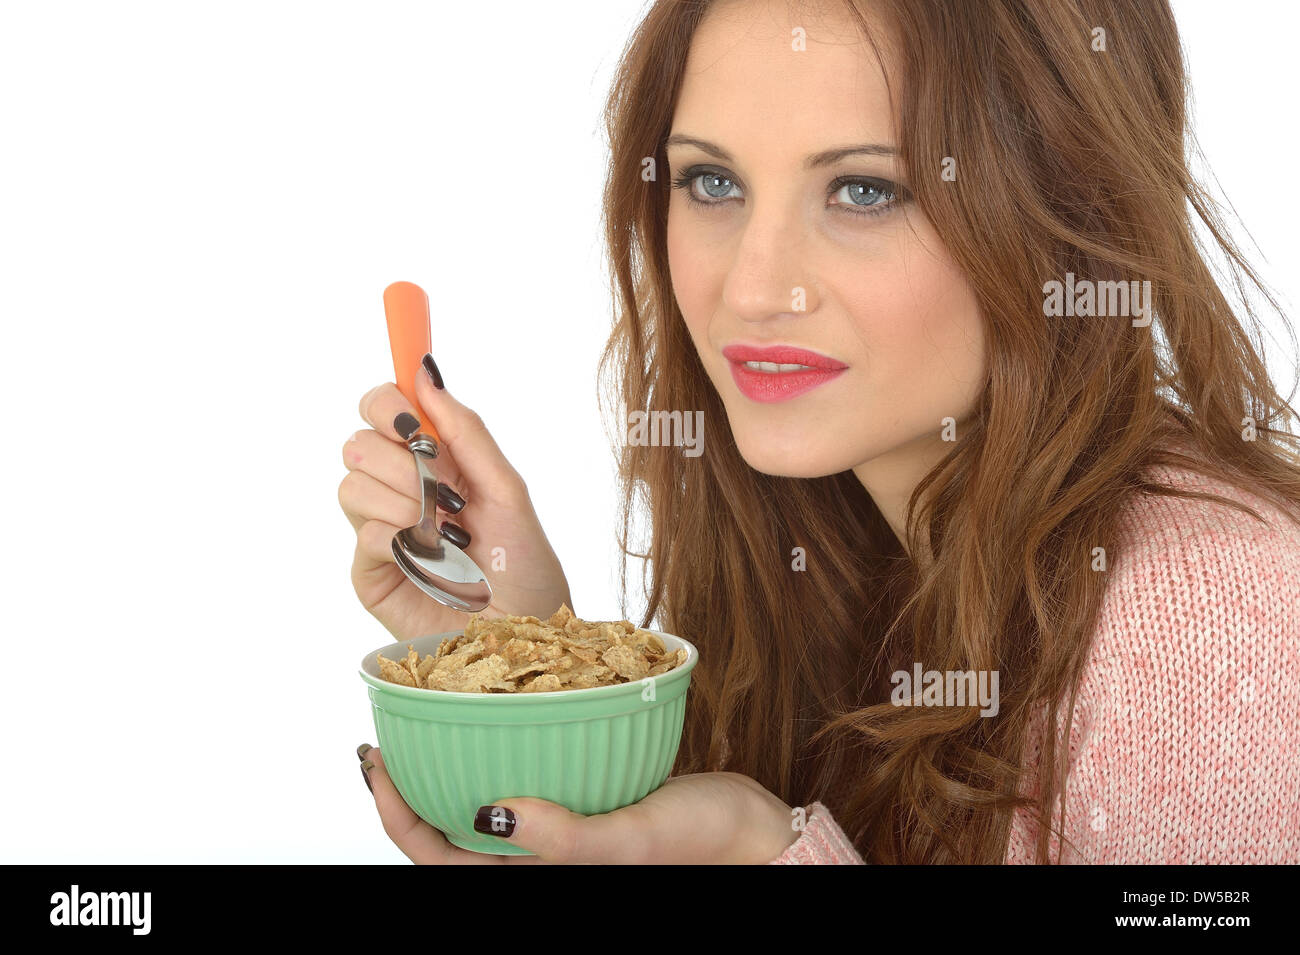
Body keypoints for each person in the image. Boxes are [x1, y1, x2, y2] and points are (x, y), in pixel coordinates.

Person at [338, 0, 1300, 864]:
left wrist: (766, 857)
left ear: (1065, 207)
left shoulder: (1207, 613)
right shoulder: (829, 539)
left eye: (864, 191)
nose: (755, 289)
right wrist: (537, 679)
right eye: (711, 182)